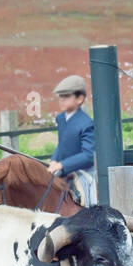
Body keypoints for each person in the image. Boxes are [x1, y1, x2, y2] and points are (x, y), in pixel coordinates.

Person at [46, 74, 98, 207]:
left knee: (88, 201)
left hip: (84, 172)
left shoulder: (86, 123)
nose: (62, 100)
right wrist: (54, 160)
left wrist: (62, 164)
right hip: (65, 171)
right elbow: (62, 143)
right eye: (60, 97)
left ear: (79, 98)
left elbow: (88, 156)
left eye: (66, 96)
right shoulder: (61, 118)